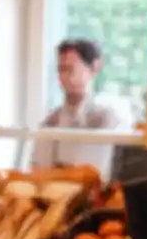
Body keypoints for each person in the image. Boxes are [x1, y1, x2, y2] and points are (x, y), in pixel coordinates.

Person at [30, 39, 134, 178]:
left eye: (71, 69)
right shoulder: (50, 122)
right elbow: (38, 168)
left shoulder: (110, 118)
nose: (64, 76)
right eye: (61, 69)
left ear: (94, 68)